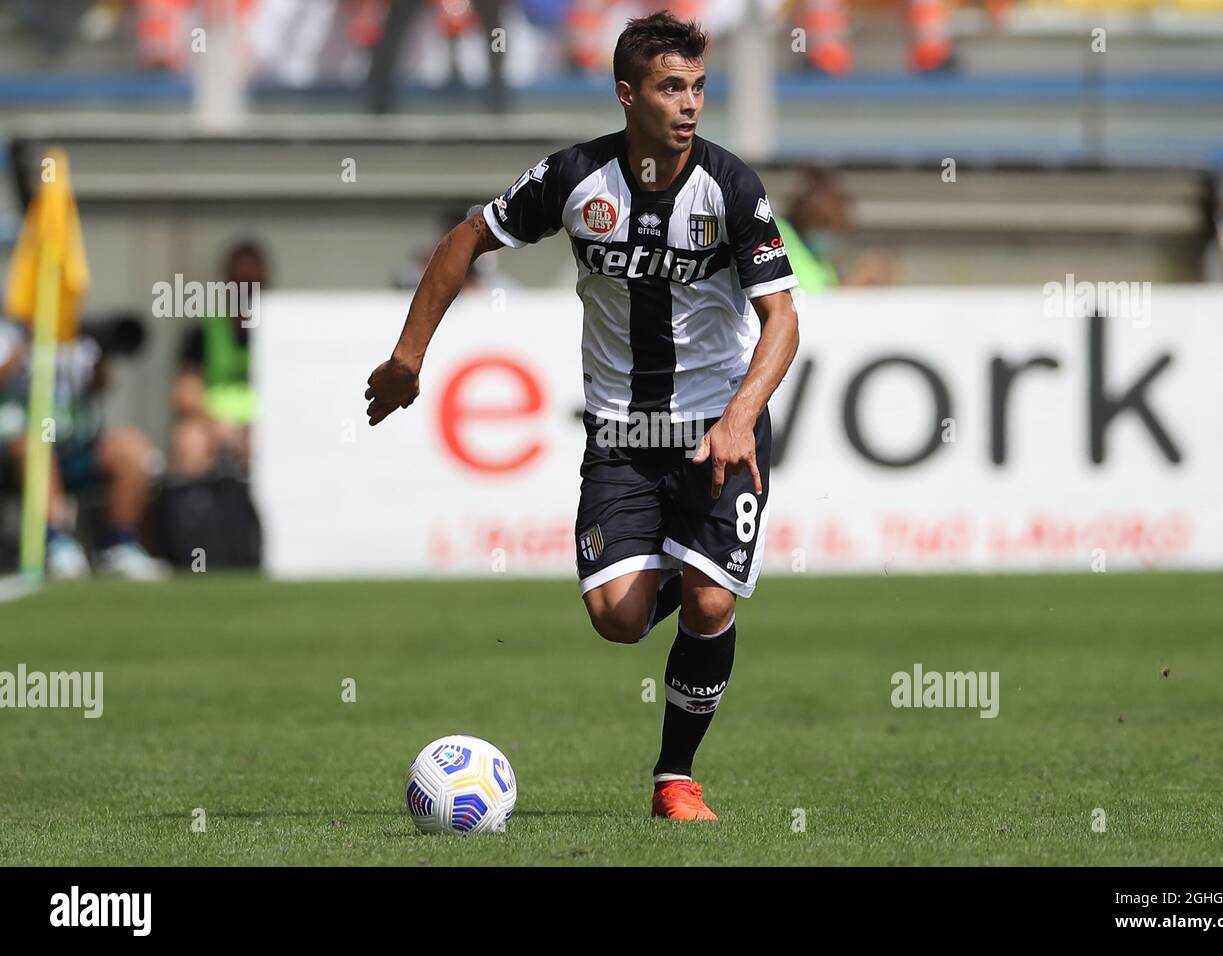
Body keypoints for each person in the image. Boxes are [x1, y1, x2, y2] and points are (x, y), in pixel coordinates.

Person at [366, 12, 800, 821]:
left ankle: (675, 778)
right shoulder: (575, 178)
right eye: (670, 87)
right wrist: (408, 357)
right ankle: (685, 564)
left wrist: (742, 414)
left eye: (698, 87)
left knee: (710, 603)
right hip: (621, 436)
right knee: (618, 619)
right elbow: (466, 238)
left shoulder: (731, 187)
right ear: (627, 94)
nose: (689, 104)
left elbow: (783, 320)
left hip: (716, 428)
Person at [0, 319, 167, 580]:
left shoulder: (77, 337)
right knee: (37, 446)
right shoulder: (8, 335)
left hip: (76, 444)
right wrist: (27, 345)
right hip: (18, 448)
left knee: (132, 448)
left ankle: (119, 544)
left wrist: (100, 353)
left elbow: (102, 383)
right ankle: (56, 542)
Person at [171, 241, 263, 480]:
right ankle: (195, 503)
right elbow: (184, 393)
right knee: (190, 441)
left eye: (253, 284)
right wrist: (218, 425)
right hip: (211, 425)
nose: (246, 291)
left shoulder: (280, 334)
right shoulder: (205, 332)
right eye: (240, 283)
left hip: (263, 427)